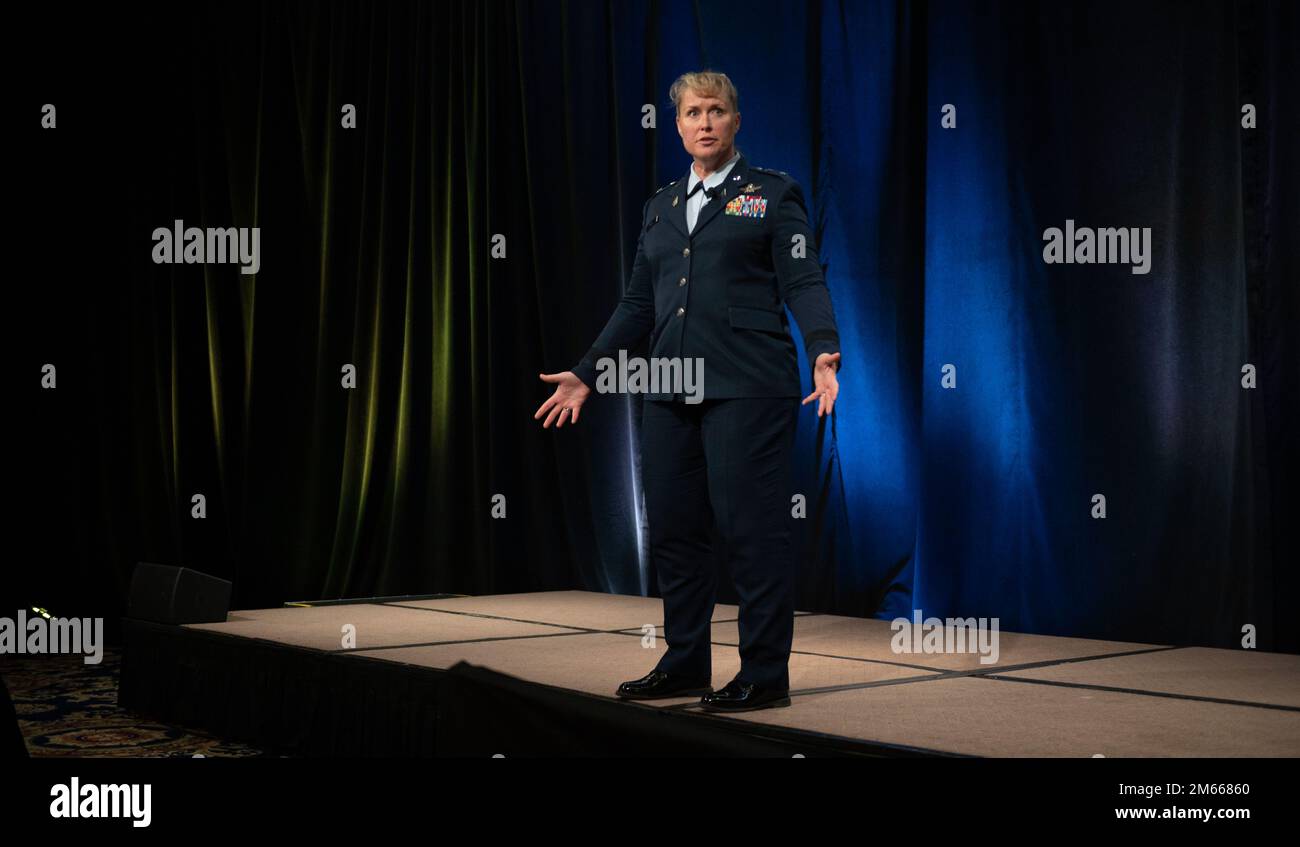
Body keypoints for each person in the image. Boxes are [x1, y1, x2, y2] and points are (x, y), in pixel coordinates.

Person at [534, 70, 841, 712]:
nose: (705, 122)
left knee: (751, 531)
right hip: (669, 389)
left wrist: (821, 350)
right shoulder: (661, 206)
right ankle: (684, 663)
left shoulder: (772, 194)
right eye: (693, 112)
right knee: (676, 530)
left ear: (736, 121)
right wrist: (589, 370)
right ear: (676, 125)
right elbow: (638, 303)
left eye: (717, 111)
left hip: (748, 386)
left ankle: (764, 674)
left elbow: (804, 281)